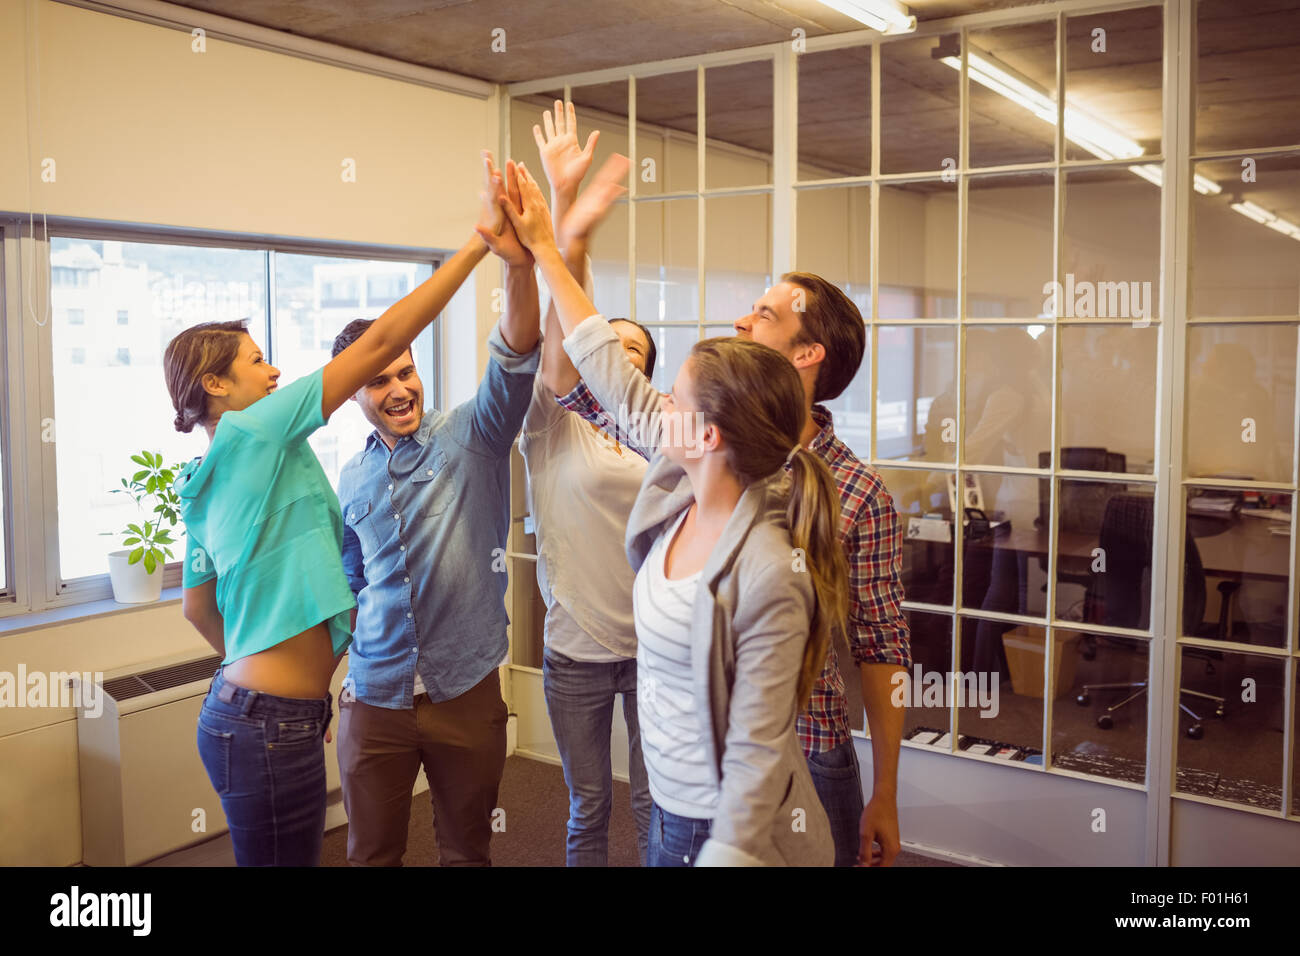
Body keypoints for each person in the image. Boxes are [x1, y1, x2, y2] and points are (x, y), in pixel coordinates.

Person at [551, 148, 912, 863]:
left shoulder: (858, 493)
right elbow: (587, 374)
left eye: (765, 313)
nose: (743, 321)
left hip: (805, 758)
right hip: (696, 777)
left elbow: (882, 649)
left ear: (806, 355)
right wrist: (565, 243)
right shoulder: (699, 450)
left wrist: (887, 793)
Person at [490, 160, 845, 865]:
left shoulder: (770, 568)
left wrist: (723, 854)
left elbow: (756, 753)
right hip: (673, 810)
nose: (657, 407)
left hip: (713, 831)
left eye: (674, 399)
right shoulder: (683, 481)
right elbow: (609, 375)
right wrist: (558, 243)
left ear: (707, 434)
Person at [167, 153, 504, 866]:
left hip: (244, 712)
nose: (275, 372)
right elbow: (379, 340)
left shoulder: (203, 475)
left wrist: (275, 684)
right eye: (257, 362)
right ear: (217, 385)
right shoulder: (254, 430)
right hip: (271, 720)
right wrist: (479, 243)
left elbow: (199, 610)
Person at [331, 154, 541, 867]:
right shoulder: (350, 477)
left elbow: (515, 355)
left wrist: (516, 265)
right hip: (376, 697)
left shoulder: (471, 436)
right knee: (370, 856)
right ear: (355, 393)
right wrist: (339, 686)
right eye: (380, 379)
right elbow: (348, 584)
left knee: (465, 853)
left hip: (465, 691)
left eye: (406, 369)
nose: (399, 388)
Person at [513, 103, 656, 865]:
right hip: (578, 650)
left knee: (654, 798)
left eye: (634, 352)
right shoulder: (553, 422)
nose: (619, 356)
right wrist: (569, 225)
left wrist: (567, 226)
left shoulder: (663, 438)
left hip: (656, 647)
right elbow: (571, 333)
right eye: (613, 347)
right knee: (590, 804)